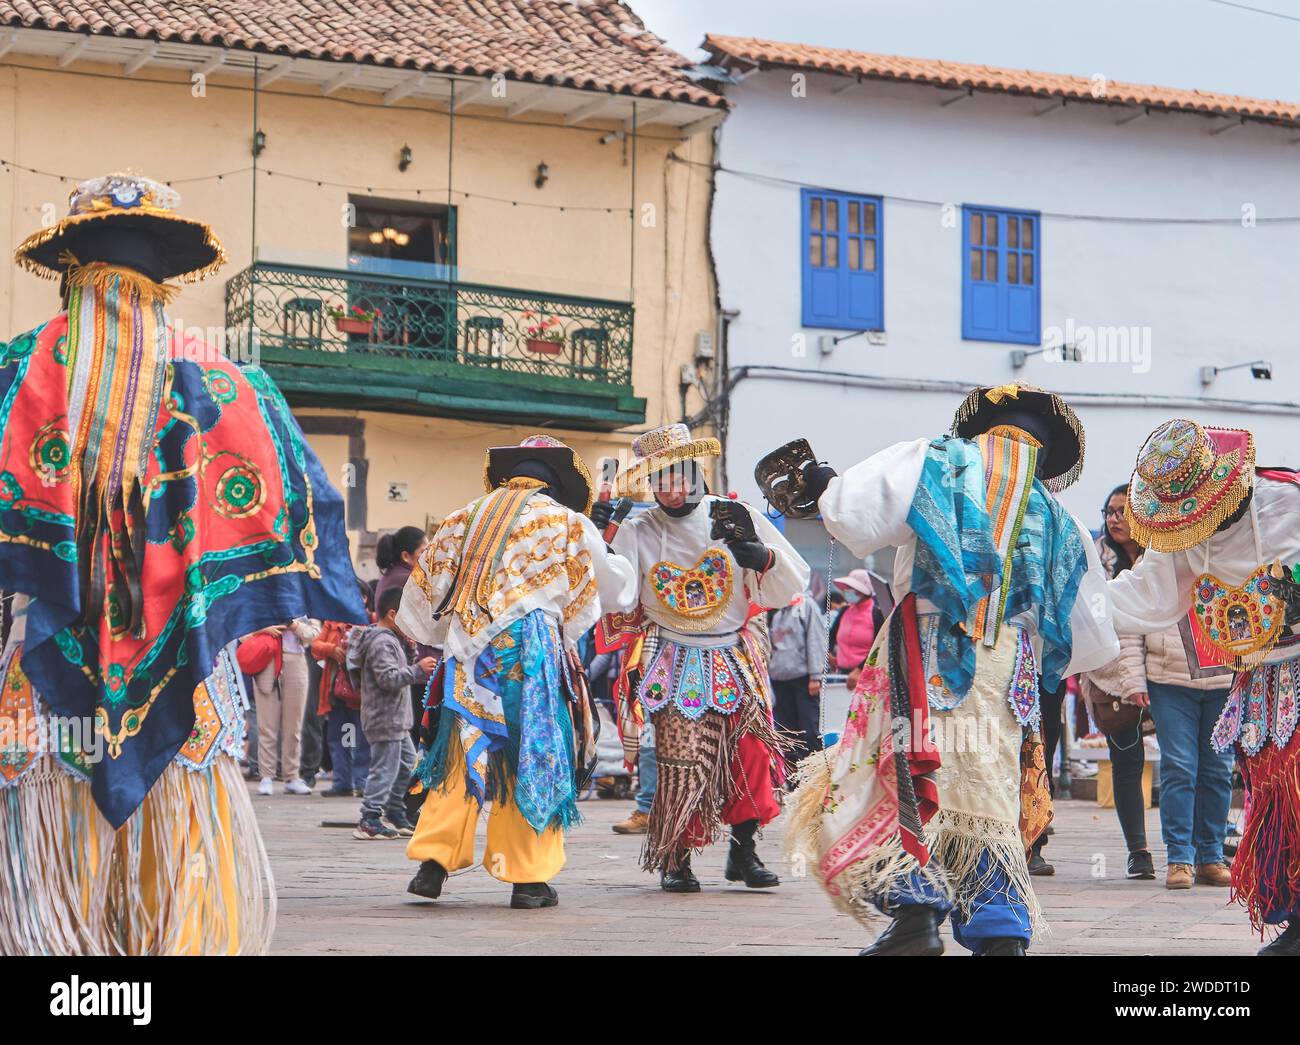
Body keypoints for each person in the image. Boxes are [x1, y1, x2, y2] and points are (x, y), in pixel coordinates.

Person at [0, 173, 364, 954]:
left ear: (71, 272)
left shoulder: (20, 369)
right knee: (183, 822)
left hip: (50, 652)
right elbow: (307, 503)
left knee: (55, 818)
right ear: (163, 278)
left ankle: (70, 965)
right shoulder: (229, 382)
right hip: (192, 657)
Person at [776, 383, 1118, 956]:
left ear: (979, 428)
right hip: (1005, 666)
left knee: (904, 768)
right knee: (986, 789)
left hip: (925, 645)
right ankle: (999, 928)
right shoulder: (1058, 517)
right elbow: (1089, 637)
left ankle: (914, 916)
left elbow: (851, 516)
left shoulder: (933, 459)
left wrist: (824, 485)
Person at [398, 435, 637, 908]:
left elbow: (426, 592)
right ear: (554, 485)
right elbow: (615, 590)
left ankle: (435, 861)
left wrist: (454, 632)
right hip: (531, 649)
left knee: (460, 750)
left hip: (470, 651)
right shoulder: (567, 520)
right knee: (532, 753)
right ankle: (527, 879)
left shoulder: (463, 515)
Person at [1106, 420, 1296, 953]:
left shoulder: (1289, 500)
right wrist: (1067, 603)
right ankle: (1297, 917)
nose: (1201, 524)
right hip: (1259, 682)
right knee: (1276, 793)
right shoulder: (1186, 537)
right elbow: (1140, 596)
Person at [597, 423, 811, 893]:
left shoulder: (735, 514)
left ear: (695, 473)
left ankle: (745, 849)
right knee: (682, 760)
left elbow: (793, 581)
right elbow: (614, 592)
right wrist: (599, 538)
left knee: (749, 753)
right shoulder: (638, 529)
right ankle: (677, 855)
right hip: (672, 653)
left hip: (735, 650)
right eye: (658, 480)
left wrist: (759, 557)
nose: (668, 490)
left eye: (676, 477)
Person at [1078, 484, 1156, 881]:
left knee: (1182, 762)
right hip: (1111, 673)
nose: (1115, 518)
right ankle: (1138, 851)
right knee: (1128, 761)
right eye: (1109, 511)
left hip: (1164, 669)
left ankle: (1195, 849)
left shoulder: (1162, 556)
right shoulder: (1094, 558)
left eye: (1124, 511)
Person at [348, 586, 435, 839]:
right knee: (384, 768)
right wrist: (417, 670)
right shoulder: (381, 642)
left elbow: (398, 669)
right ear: (392, 614)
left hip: (396, 719)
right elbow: (388, 678)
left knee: (408, 764)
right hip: (384, 717)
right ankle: (370, 817)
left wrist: (409, 651)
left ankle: (395, 811)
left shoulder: (391, 640)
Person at [249, 617, 320, 795]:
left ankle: (291, 775)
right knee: (266, 723)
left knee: (294, 724)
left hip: (296, 659)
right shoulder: (259, 597)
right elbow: (242, 633)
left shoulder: (303, 600)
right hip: (266, 657)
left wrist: (293, 624)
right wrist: (264, 628)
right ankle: (266, 775)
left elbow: (313, 634)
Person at [312, 594, 373, 798]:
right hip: (337, 693)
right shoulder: (332, 623)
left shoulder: (371, 621)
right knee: (340, 738)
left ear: (365, 598)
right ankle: (342, 781)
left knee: (361, 740)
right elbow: (315, 647)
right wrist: (333, 649)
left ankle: (361, 781)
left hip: (361, 694)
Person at [768, 589, 829, 769]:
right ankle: (793, 778)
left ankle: (814, 777)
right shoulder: (776, 611)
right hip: (779, 679)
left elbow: (816, 640)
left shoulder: (807, 605)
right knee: (787, 733)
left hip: (803, 680)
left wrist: (816, 676)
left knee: (809, 730)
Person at [829, 569, 878, 674]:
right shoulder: (845, 610)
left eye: (853, 588)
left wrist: (859, 670)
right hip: (841, 673)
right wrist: (829, 653)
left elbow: (878, 648)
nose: (850, 591)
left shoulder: (876, 613)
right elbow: (832, 634)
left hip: (865, 676)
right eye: (849, 588)